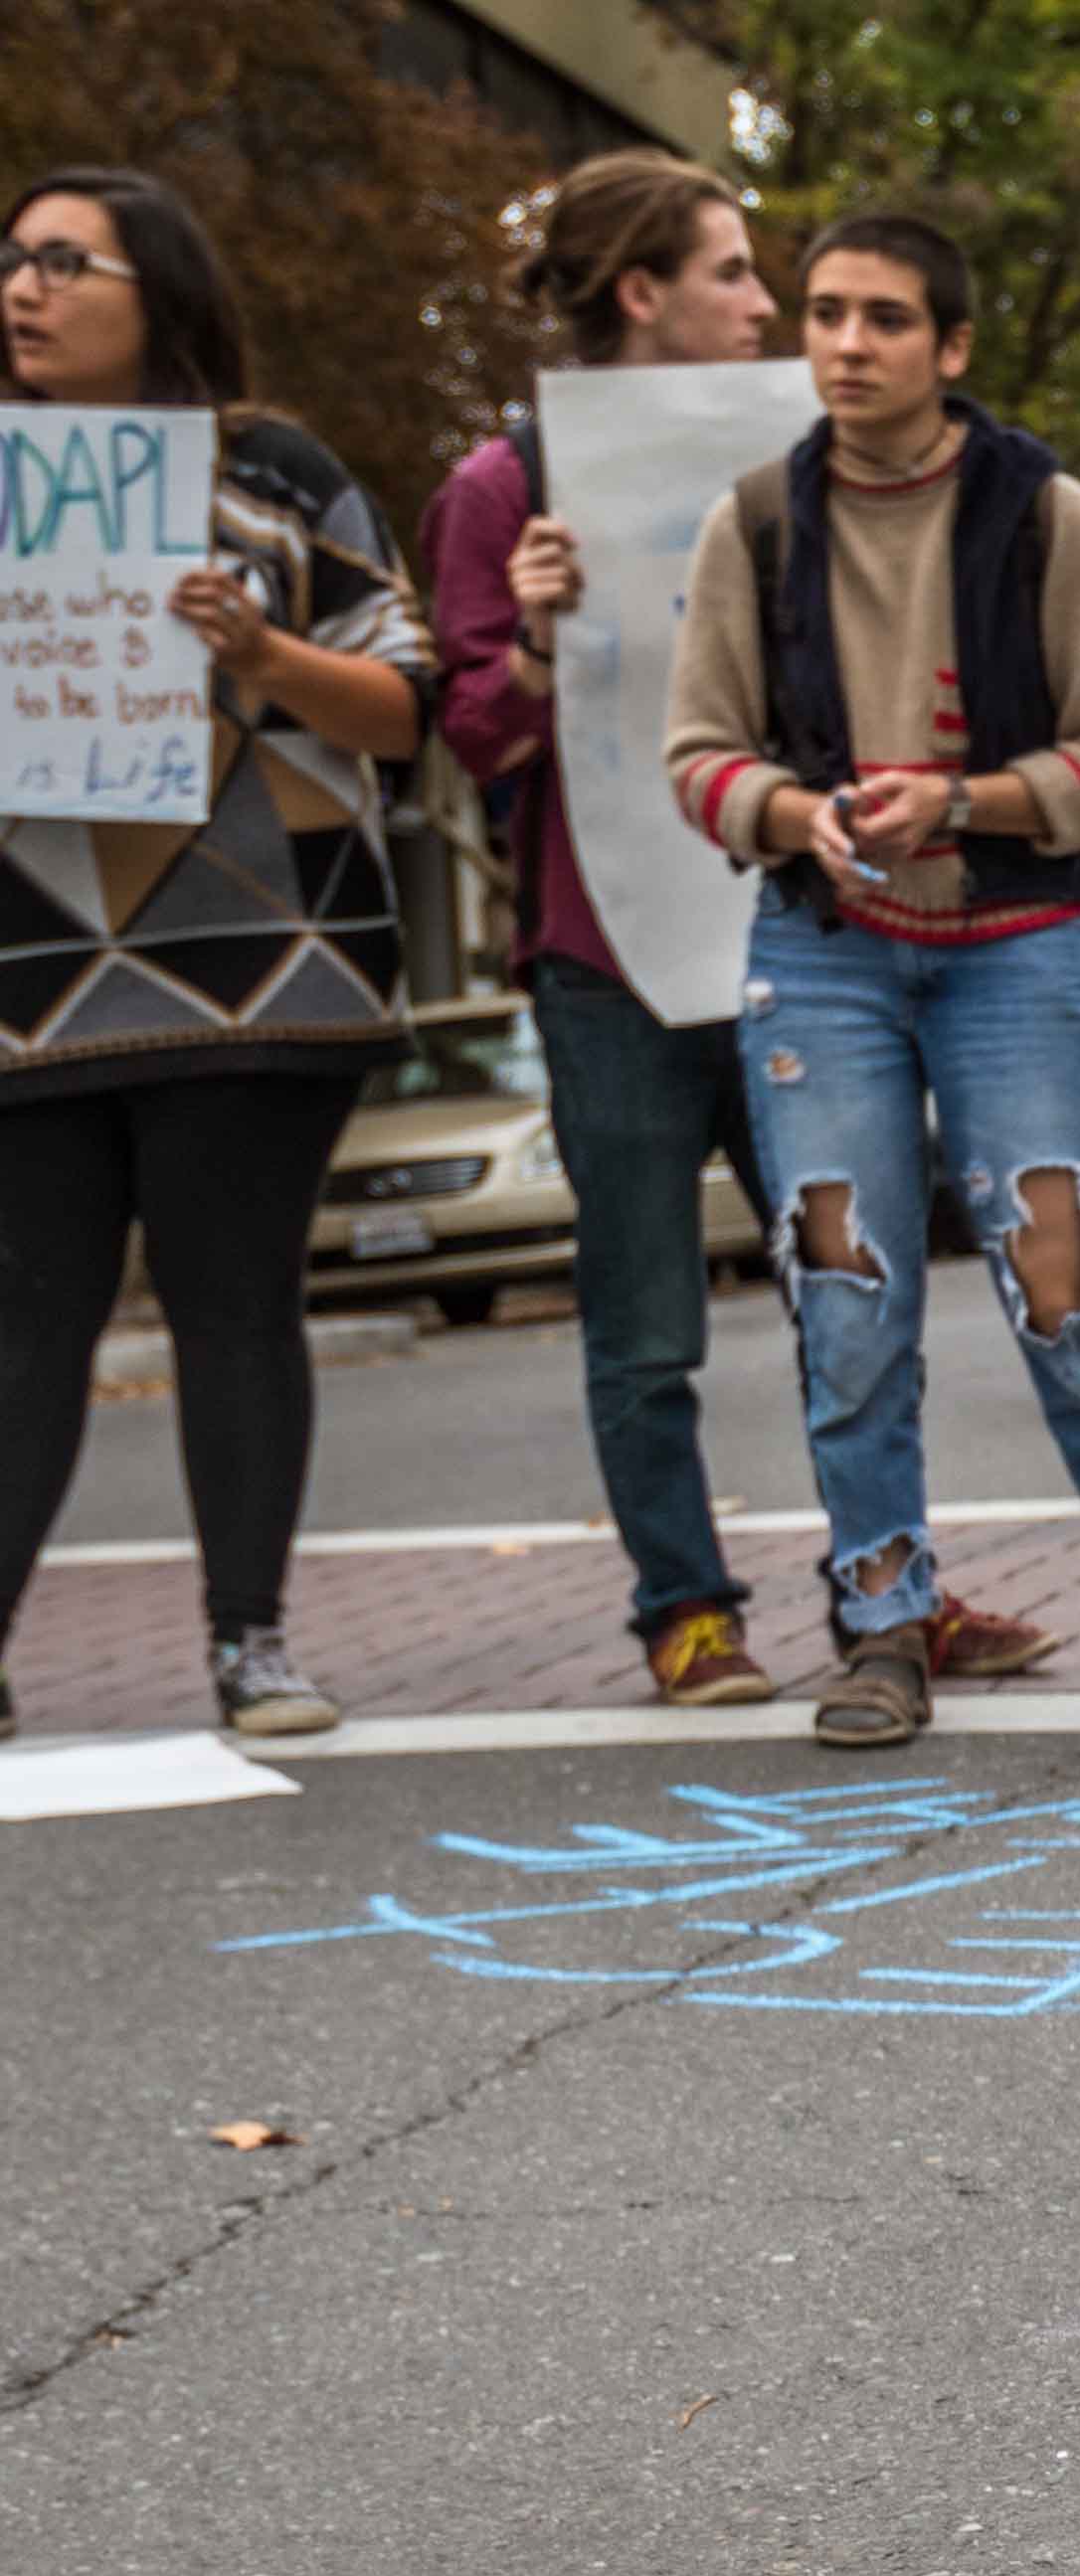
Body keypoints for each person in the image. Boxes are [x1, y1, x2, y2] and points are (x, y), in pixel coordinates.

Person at [659, 210, 1080, 1749]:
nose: (847, 344)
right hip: (824, 955)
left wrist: (959, 802)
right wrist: (794, 814)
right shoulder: (757, 522)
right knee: (848, 1306)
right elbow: (696, 755)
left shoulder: (1050, 515)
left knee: (1068, 1288)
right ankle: (885, 1624)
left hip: (1017, 949)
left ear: (950, 348)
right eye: (827, 314)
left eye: (886, 319)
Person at [0, 169, 431, 1746]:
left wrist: (258, 653)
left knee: (232, 1303)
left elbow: (403, 714)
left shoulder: (278, 473)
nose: (25, 287)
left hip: (263, 967)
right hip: (30, 987)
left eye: (64, 260)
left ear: (156, 288)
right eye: (12, 260)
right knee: (24, 1317)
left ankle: (252, 1643)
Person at [426, 151, 847, 1712]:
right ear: (641, 292)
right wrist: (533, 643)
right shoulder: (502, 487)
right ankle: (687, 1610)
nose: (763, 302)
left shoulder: (801, 450)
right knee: (647, 1317)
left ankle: (890, 1587)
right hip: (606, 956)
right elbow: (472, 740)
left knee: (844, 1285)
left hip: (793, 924)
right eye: (732, 271)